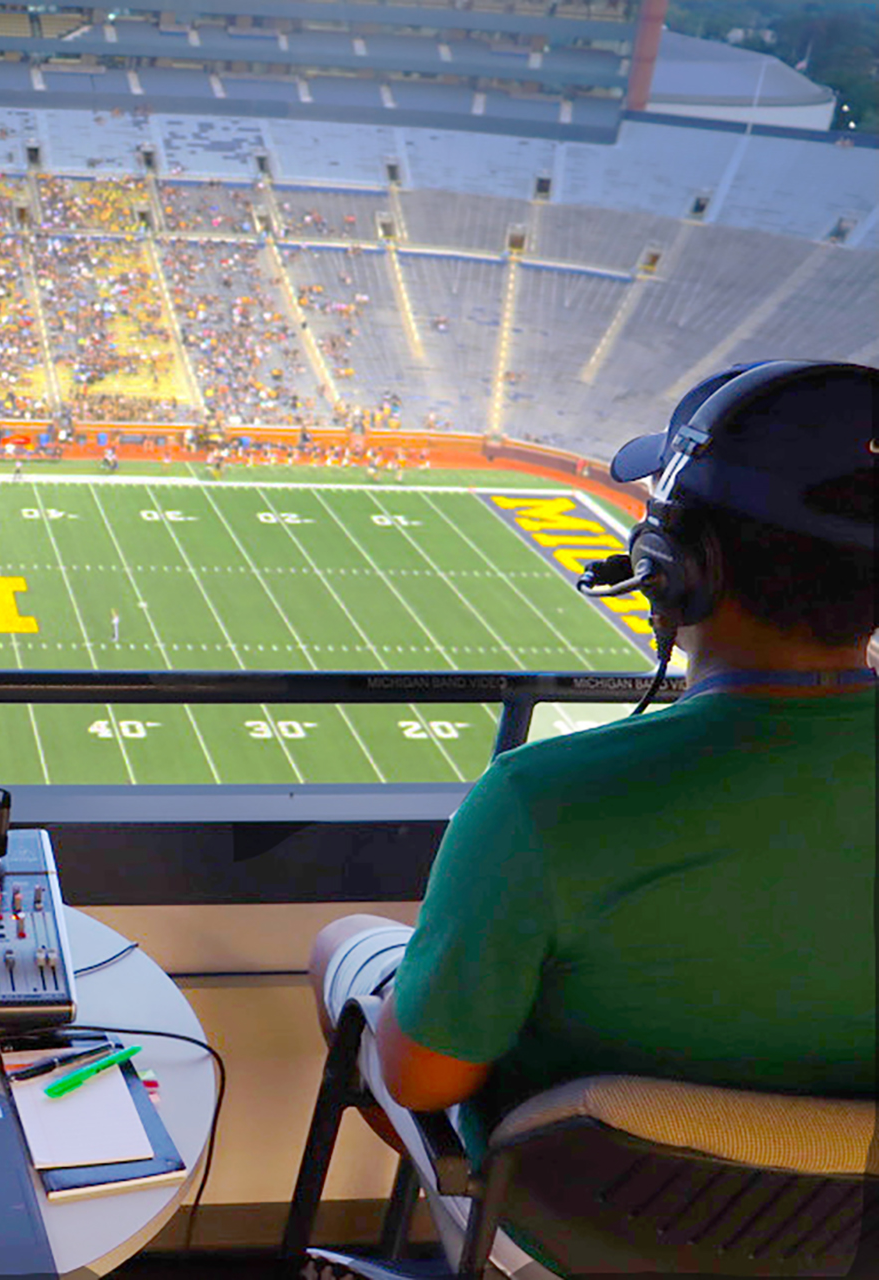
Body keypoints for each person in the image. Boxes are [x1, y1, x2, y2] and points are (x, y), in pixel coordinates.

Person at [307, 361, 876, 1271]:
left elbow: (424, 1078)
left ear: (681, 569)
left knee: (343, 948)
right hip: (846, 1246)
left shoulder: (544, 799)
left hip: (593, 1227)